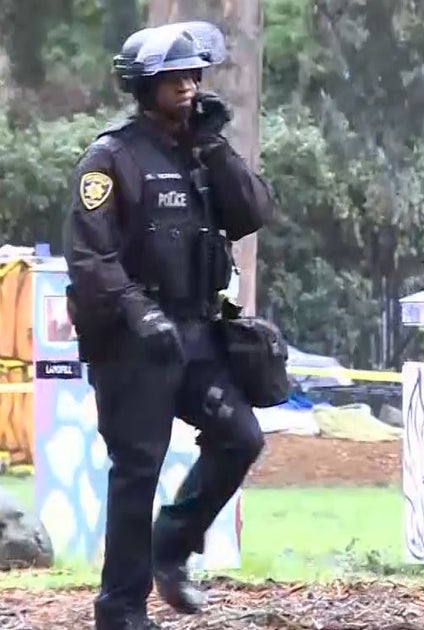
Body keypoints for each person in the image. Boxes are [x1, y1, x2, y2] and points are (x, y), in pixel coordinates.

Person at [63, 22, 275, 630]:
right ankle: (120, 610)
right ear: (144, 86)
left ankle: (172, 545)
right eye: (173, 79)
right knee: (138, 467)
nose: (187, 87)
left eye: (193, 76)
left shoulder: (201, 154)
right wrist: (138, 311)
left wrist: (218, 146)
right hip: (133, 343)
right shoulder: (111, 158)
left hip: (197, 331)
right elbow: (90, 257)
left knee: (241, 437)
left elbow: (254, 212)